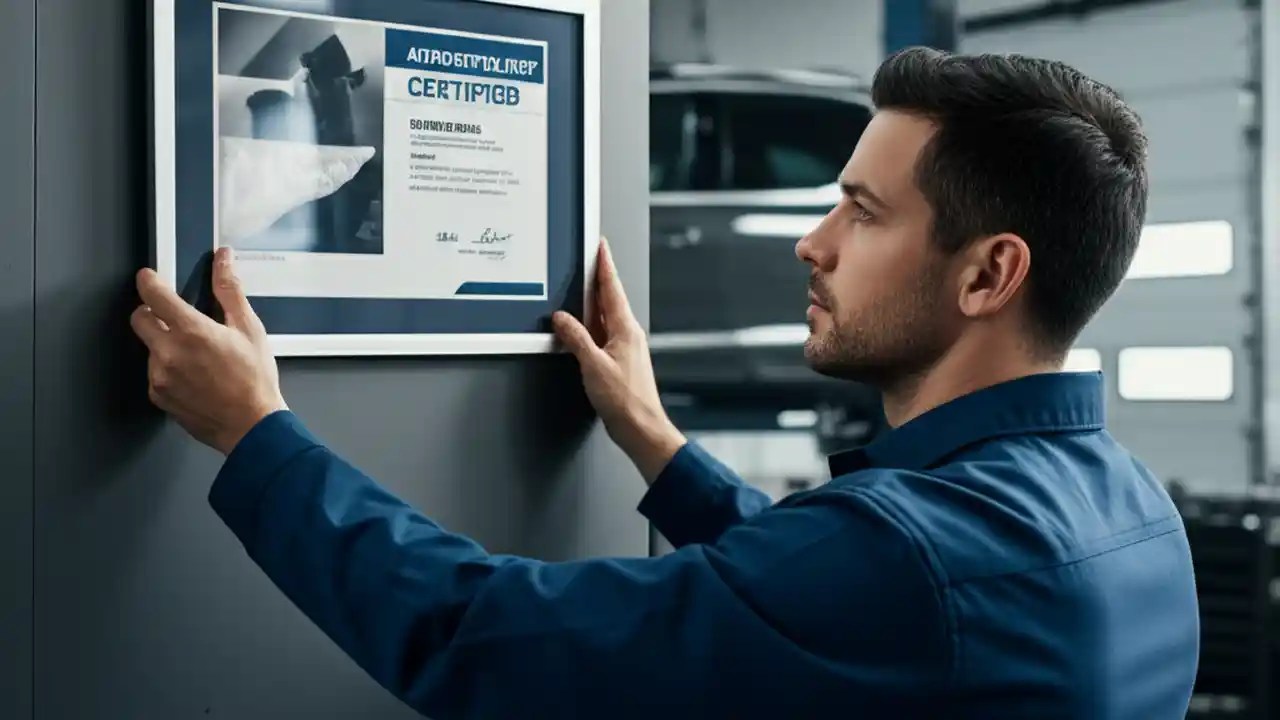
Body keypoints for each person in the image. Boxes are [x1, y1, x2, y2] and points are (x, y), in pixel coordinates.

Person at [129, 47, 1199, 718]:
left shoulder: (905, 558)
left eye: (862, 213)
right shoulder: (1130, 509)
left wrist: (257, 434)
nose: (812, 245)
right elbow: (824, 601)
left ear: (987, 273)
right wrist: (655, 442)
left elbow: (488, 637)